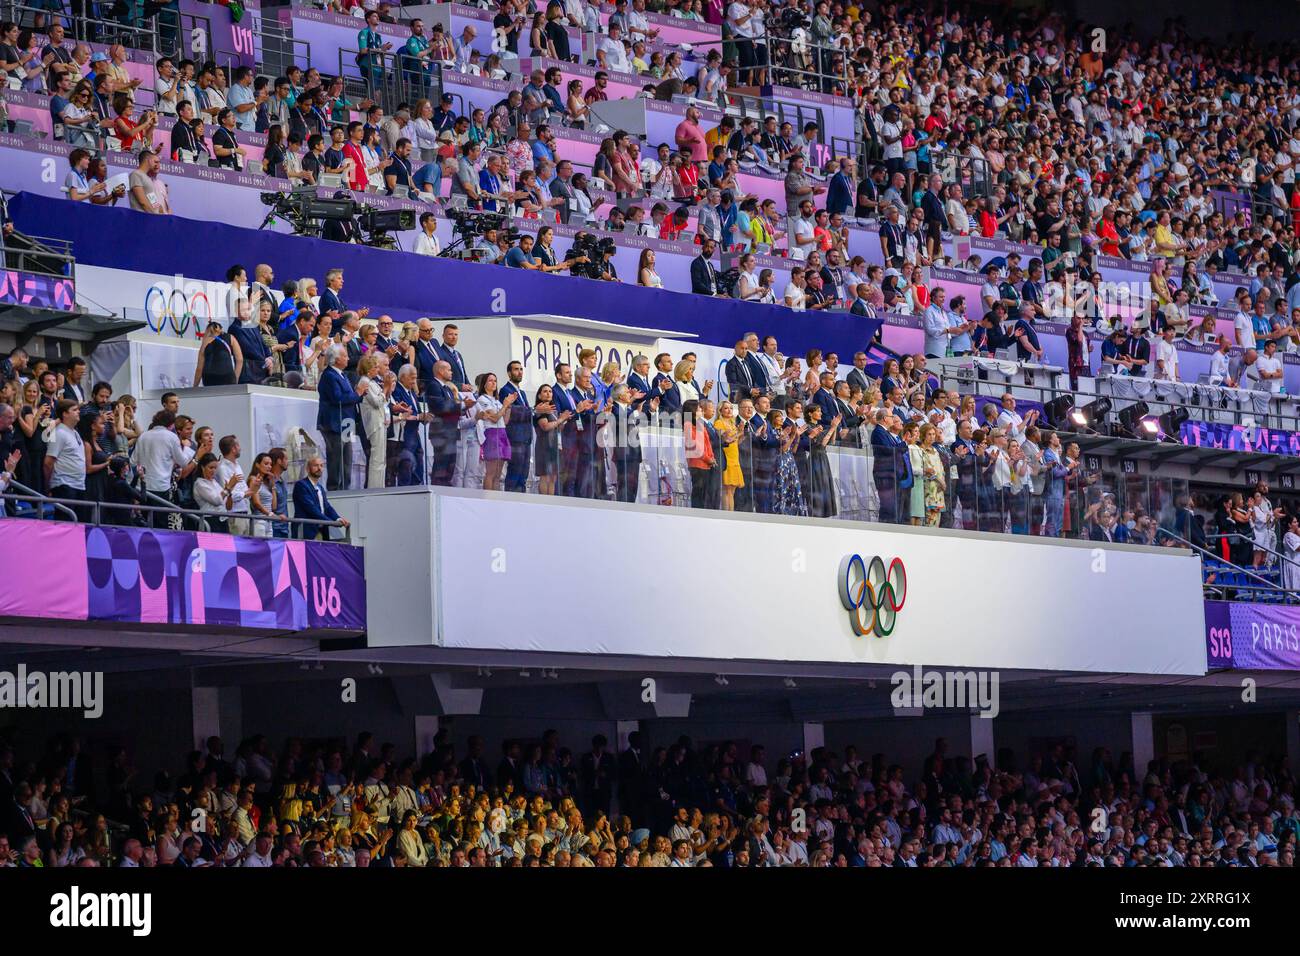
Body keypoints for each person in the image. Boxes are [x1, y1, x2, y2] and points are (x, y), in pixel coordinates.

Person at [318, 343, 367, 491]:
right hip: (334, 424)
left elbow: (350, 398)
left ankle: (345, 489)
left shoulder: (342, 375)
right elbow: (337, 399)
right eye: (345, 356)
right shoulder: (329, 376)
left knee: (347, 461)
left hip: (347, 423)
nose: (348, 359)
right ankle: (335, 491)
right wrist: (357, 393)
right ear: (336, 359)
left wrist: (359, 395)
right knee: (336, 461)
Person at [292, 455, 348, 540]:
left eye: (321, 465)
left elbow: (327, 507)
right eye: (316, 465)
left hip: (321, 531)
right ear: (308, 469)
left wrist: (337, 518)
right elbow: (311, 509)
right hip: (306, 531)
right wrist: (331, 522)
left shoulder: (320, 487)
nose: (319, 468)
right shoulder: (301, 485)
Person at [770, 410, 808, 518]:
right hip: (780, 462)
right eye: (779, 417)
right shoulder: (773, 432)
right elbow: (783, 449)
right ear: (773, 419)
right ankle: (781, 512)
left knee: (793, 488)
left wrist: (797, 437)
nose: (782, 419)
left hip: (790, 461)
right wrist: (791, 437)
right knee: (782, 487)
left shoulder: (783, 431)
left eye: (782, 417)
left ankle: (794, 513)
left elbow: (793, 450)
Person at [531, 383, 568, 496]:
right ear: (539, 396)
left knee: (553, 478)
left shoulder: (553, 411)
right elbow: (545, 426)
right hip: (544, 447)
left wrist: (563, 421)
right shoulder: (540, 410)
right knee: (545, 476)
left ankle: (551, 502)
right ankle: (544, 502)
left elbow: (557, 427)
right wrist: (560, 420)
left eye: (550, 391)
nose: (548, 393)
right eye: (545, 391)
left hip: (555, 446)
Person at [193, 321, 242, 387]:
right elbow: (240, 360)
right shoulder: (230, 338)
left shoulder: (205, 342)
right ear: (220, 329)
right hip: (227, 376)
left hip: (209, 378)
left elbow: (199, 368)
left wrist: (195, 386)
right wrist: (235, 379)